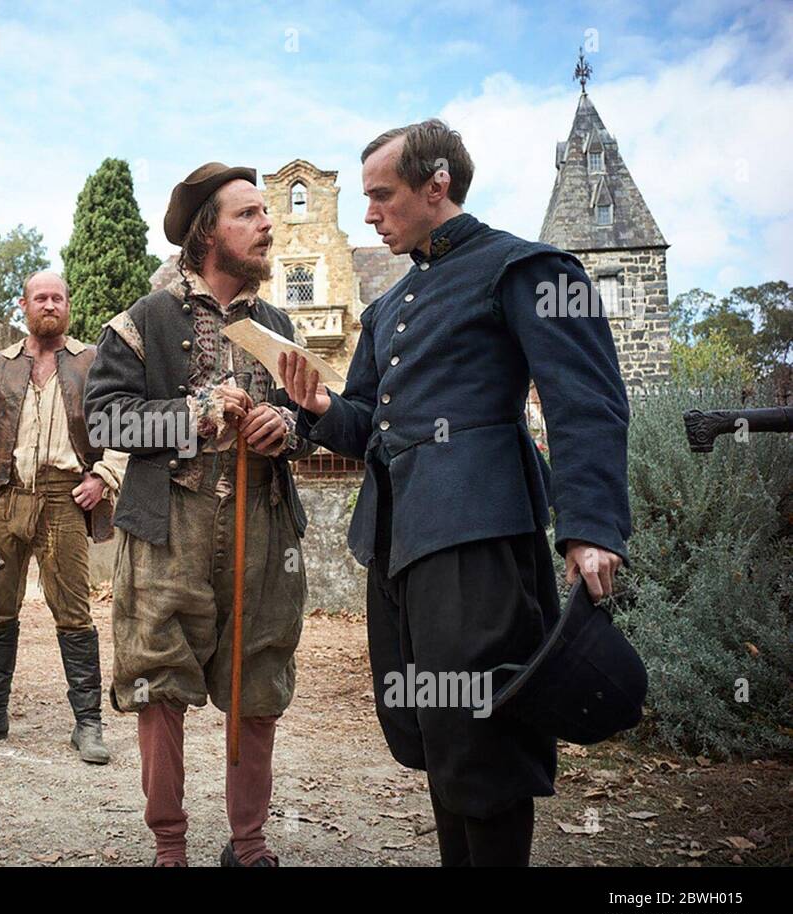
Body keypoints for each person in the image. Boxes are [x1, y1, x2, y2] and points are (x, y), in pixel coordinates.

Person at [281, 119, 631, 866]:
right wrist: (315, 409)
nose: (369, 213)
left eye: (382, 195)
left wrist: (590, 525)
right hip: (399, 545)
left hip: (478, 536)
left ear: (436, 184)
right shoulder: (386, 309)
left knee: (485, 737)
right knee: (439, 736)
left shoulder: (521, 268)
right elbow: (367, 428)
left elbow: (585, 399)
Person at [84, 164, 314, 866]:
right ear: (207, 232)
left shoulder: (276, 323)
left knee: (261, 678)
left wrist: (287, 425)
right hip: (168, 528)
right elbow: (104, 419)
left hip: (265, 524)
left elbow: (313, 413)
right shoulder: (145, 318)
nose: (267, 224)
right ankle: (170, 847)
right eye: (248, 214)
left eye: (266, 213)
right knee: (159, 678)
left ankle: (248, 845)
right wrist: (196, 413)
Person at [0, 271, 126, 765]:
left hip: (66, 499)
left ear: (68, 306)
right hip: (5, 499)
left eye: (57, 297)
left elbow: (118, 425)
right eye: (40, 297)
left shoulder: (92, 361)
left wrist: (104, 474)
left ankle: (87, 724)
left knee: (73, 610)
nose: (49, 304)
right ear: (23, 305)